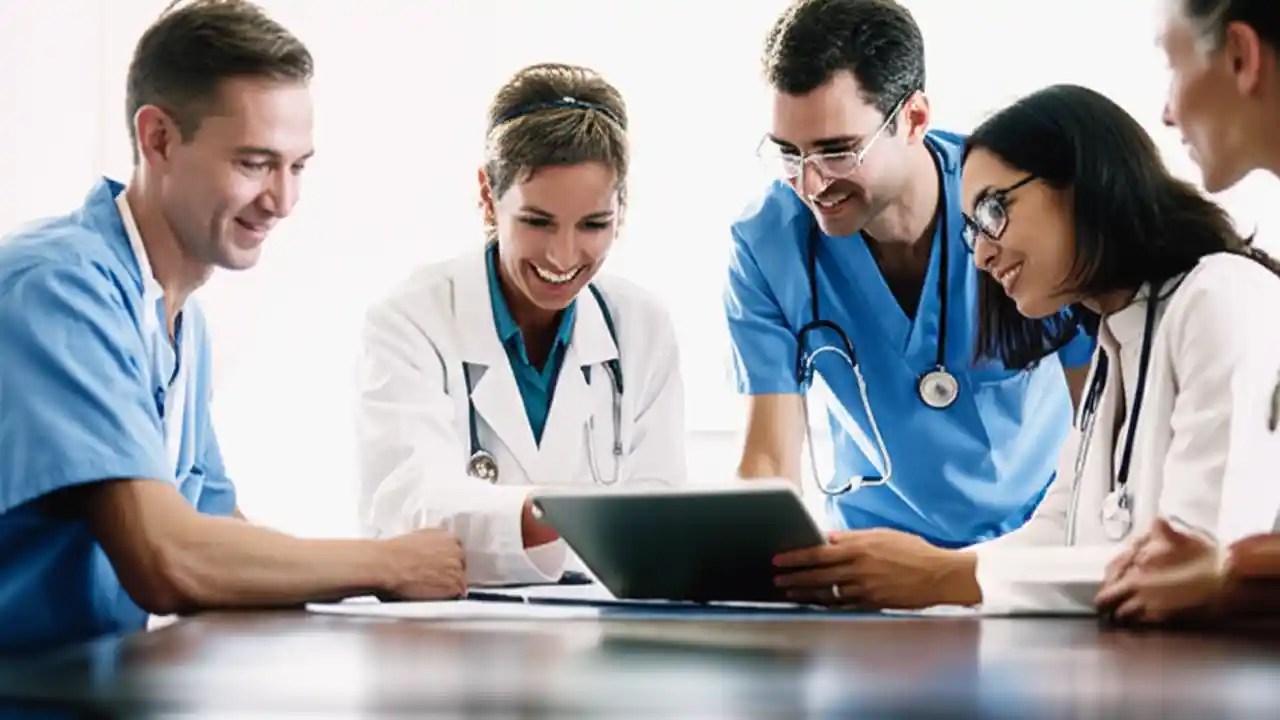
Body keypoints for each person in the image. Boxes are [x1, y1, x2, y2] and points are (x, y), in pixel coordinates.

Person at [0, 0, 465, 653]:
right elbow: (169, 558)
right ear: (158, 138)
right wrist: (388, 564)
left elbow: (216, 530)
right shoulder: (58, 290)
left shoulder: (180, 323)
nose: (283, 201)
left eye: (296, 166)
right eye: (254, 163)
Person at [774, 83, 1280, 612]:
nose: (982, 255)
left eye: (993, 211)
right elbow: (1057, 532)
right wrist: (916, 579)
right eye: (971, 231)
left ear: (1083, 178)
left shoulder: (1220, 294)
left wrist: (943, 575)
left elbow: (1198, 559)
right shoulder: (1116, 343)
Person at [728, 0, 1093, 553]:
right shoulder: (767, 243)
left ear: (914, 119)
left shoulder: (1013, 204)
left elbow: (1098, 411)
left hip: (1034, 551)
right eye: (789, 154)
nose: (811, 182)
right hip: (872, 556)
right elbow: (769, 458)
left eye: (837, 151)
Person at [356, 63, 687, 586]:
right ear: (488, 196)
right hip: (450, 635)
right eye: (537, 222)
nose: (563, 255)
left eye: (594, 224)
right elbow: (406, 504)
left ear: (622, 208)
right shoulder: (411, 319)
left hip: (601, 634)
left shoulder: (641, 327)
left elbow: (661, 521)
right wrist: (563, 517)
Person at [1094, 0, 1280, 624]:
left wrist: (1233, 578)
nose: (1168, 111)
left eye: (1174, 67)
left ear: (1240, 57)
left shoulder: (1218, 293)